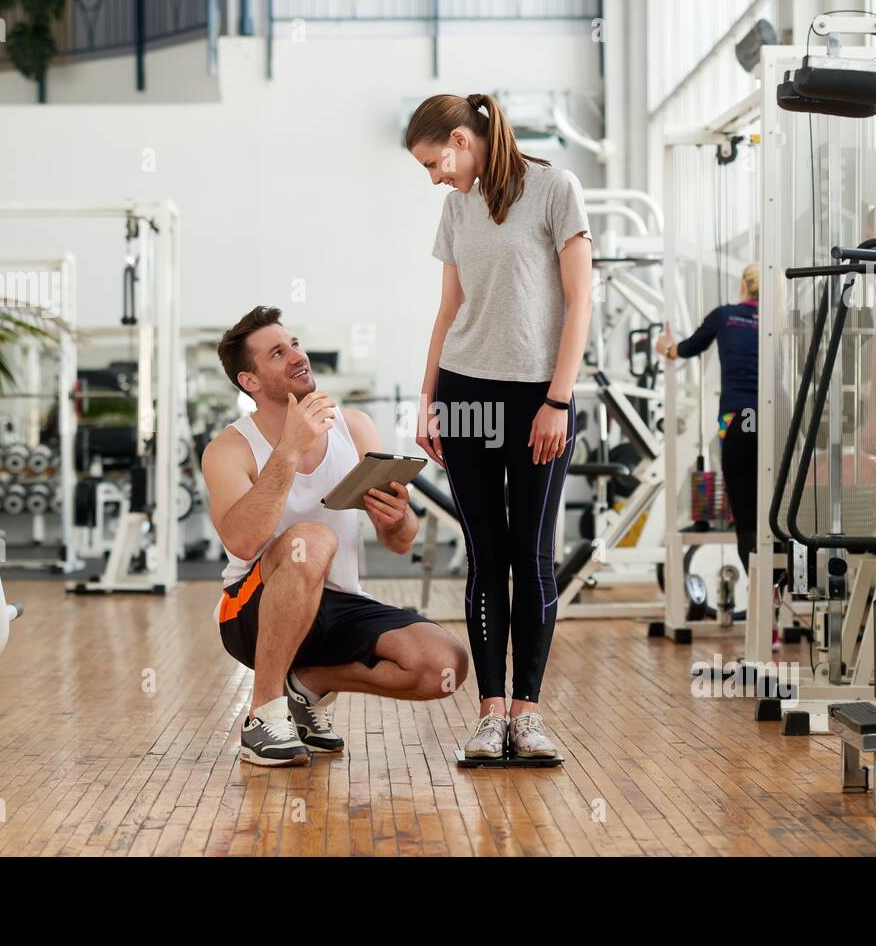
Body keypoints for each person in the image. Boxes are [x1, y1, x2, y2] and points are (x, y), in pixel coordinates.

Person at [405, 93, 593, 759]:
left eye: (435, 163)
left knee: (532, 555)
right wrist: (428, 399)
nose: (435, 178)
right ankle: (489, 716)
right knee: (486, 555)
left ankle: (528, 713)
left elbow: (581, 300)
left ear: (461, 138)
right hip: (464, 393)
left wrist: (559, 400)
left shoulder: (554, 188)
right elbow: (447, 309)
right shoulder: (456, 206)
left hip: (537, 399)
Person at [202, 306, 470, 767]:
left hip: (339, 604)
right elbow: (243, 543)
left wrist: (396, 519)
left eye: (295, 344)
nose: (296, 356)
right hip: (251, 612)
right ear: (250, 381)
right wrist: (289, 447)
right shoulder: (229, 448)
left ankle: (308, 684)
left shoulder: (356, 426)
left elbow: (401, 542)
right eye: (277, 353)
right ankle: (263, 715)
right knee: (314, 541)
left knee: (443, 666)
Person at [657, 263, 760, 576]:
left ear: (743, 285)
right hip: (777, 424)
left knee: (747, 520)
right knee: (775, 518)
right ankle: (779, 599)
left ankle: (762, 604)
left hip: (737, 422)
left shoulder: (725, 315)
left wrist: (667, 348)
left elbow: (687, 348)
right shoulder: (777, 320)